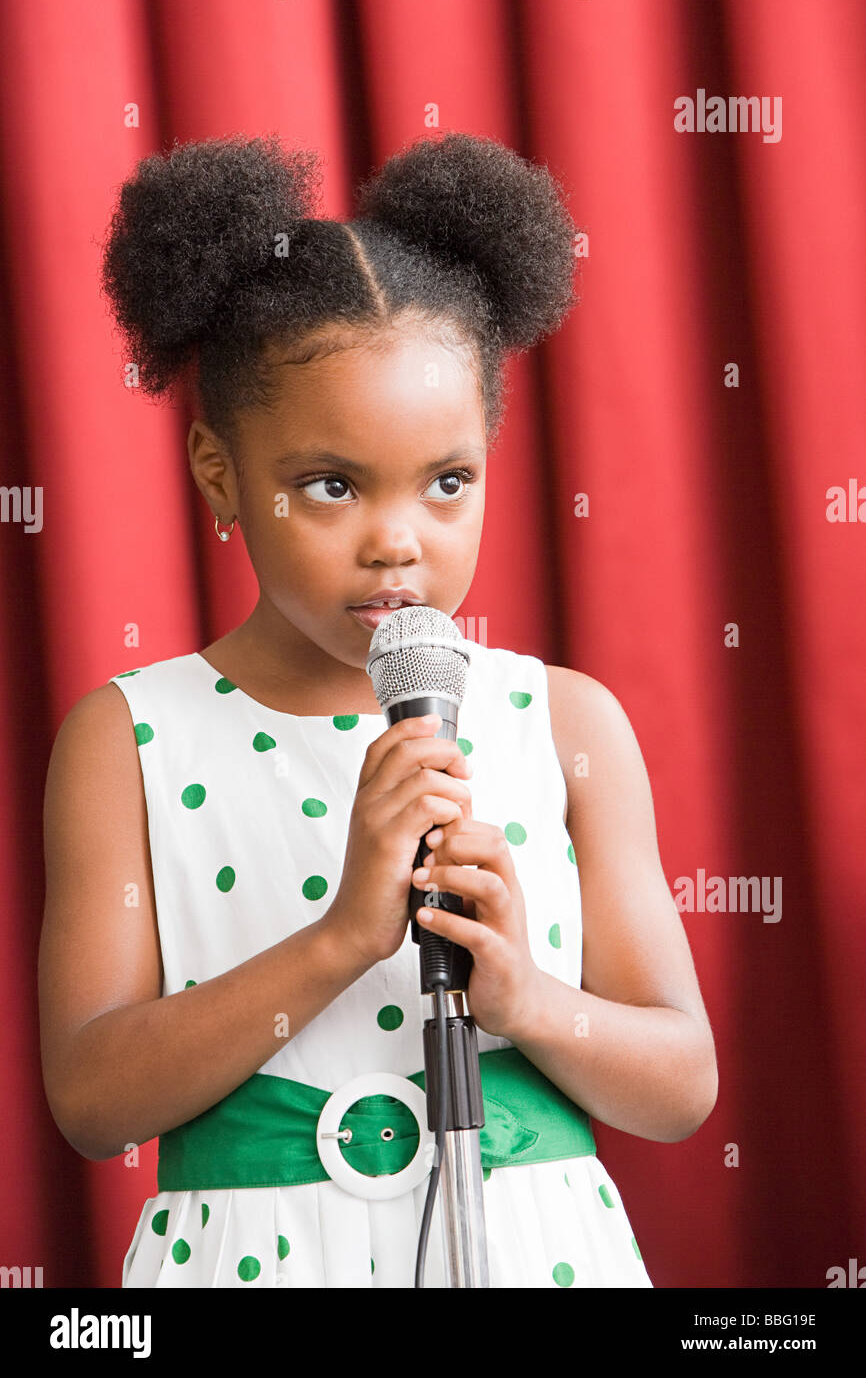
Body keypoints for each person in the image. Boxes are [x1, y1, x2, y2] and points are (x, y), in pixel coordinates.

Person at [39, 130, 717, 1288]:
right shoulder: (130, 738)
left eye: (446, 481)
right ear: (219, 477)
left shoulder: (565, 724)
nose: (398, 539)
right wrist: (344, 933)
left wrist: (531, 1001)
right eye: (332, 485)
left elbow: (681, 1087)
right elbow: (94, 1101)